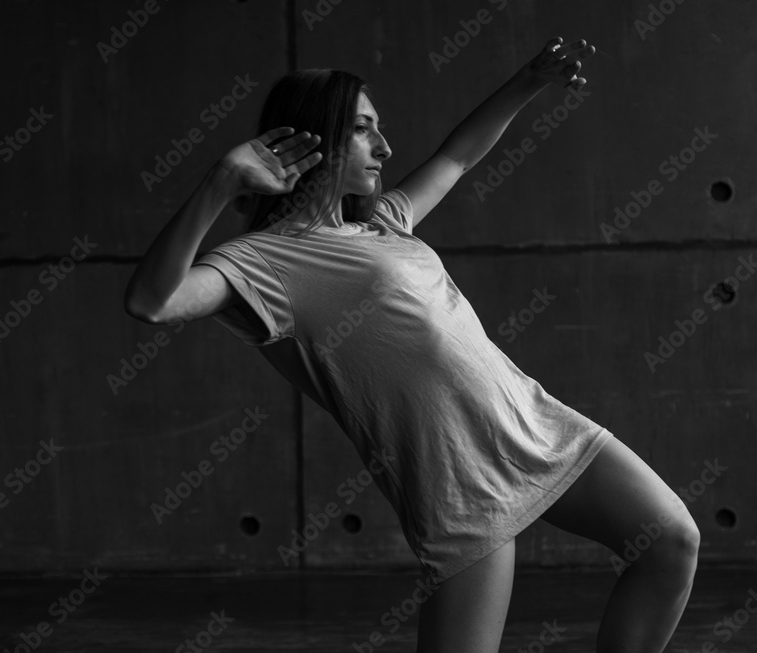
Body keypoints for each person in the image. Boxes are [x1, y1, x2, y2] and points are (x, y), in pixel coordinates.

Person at [125, 37, 700, 653]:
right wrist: (221, 181)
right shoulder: (263, 262)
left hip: (532, 423)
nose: (385, 147)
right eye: (364, 129)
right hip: (454, 480)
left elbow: (456, 157)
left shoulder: (381, 222)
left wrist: (530, 80)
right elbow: (151, 303)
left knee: (671, 542)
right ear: (312, 138)